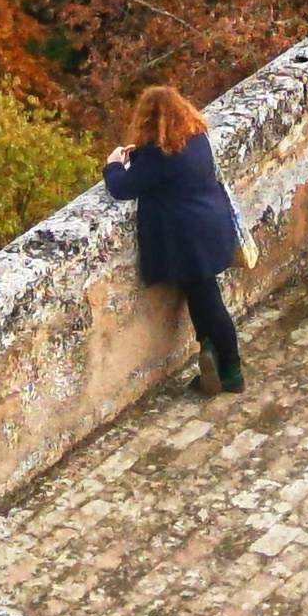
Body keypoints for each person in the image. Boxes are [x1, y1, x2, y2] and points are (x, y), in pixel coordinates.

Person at [102, 82, 248, 394]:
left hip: (186, 238)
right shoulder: (198, 139)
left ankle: (232, 371)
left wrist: (114, 164)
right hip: (211, 224)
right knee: (200, 293)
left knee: (208, 299)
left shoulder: (157, 156)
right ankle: (211, 355)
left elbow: (121, 188)